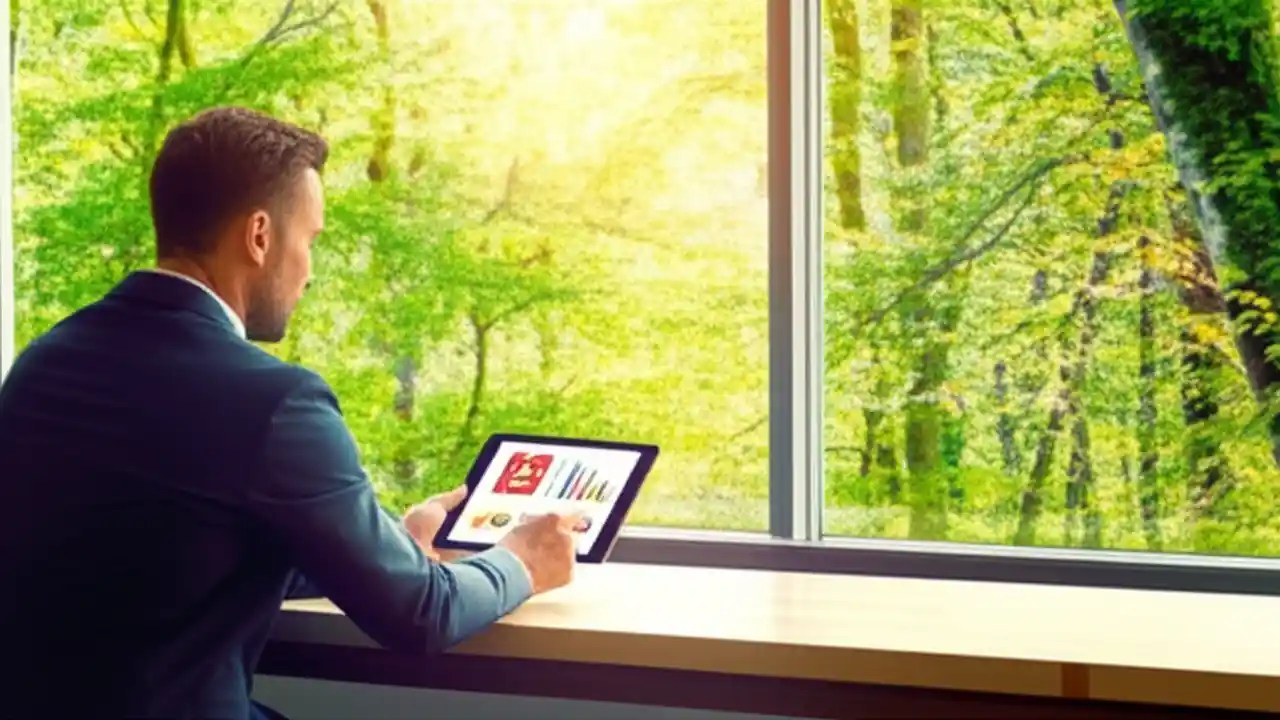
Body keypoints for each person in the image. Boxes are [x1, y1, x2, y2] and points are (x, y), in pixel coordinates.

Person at [0, 106, 579, 719]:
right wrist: (520, 560)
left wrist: (386, 546)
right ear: (259, 236)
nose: (310, 272)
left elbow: (164, 547)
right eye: (311, 240)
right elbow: (422, 614)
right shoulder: (273, 401)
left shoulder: (42, 365)